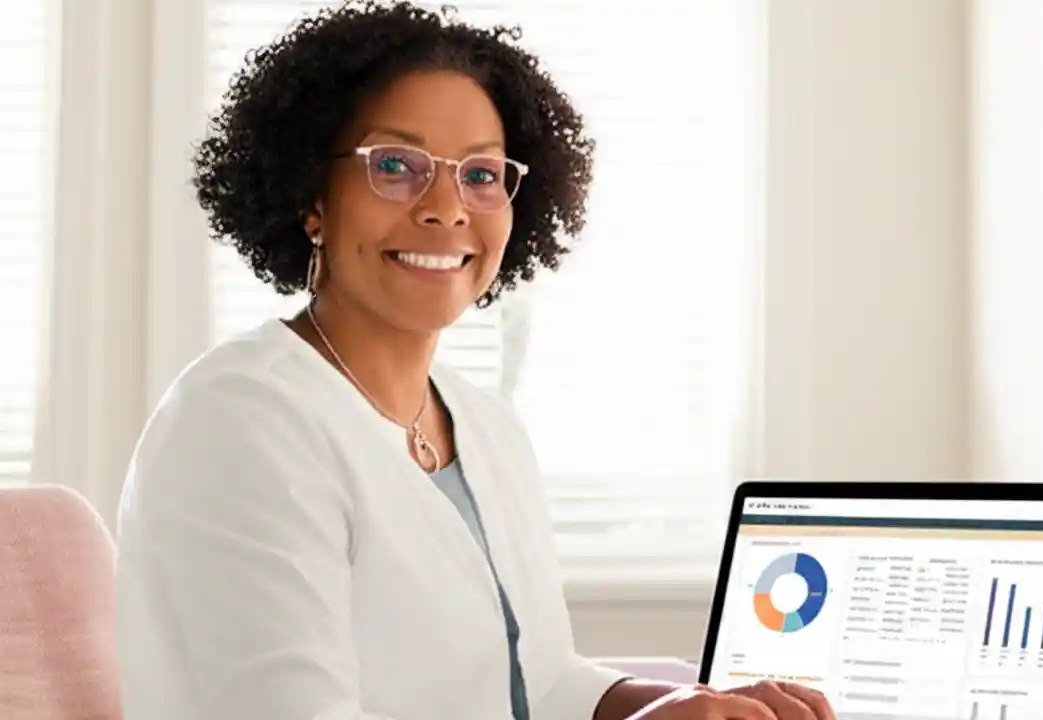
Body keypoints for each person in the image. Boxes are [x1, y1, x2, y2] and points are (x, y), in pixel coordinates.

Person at [114, 3, 835, 720]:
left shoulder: (482, 425)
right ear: (313, 201)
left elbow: (542, 683)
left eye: (482, 175)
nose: (446, 207)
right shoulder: (240, 423)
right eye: (395, 165)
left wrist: (681, 705)